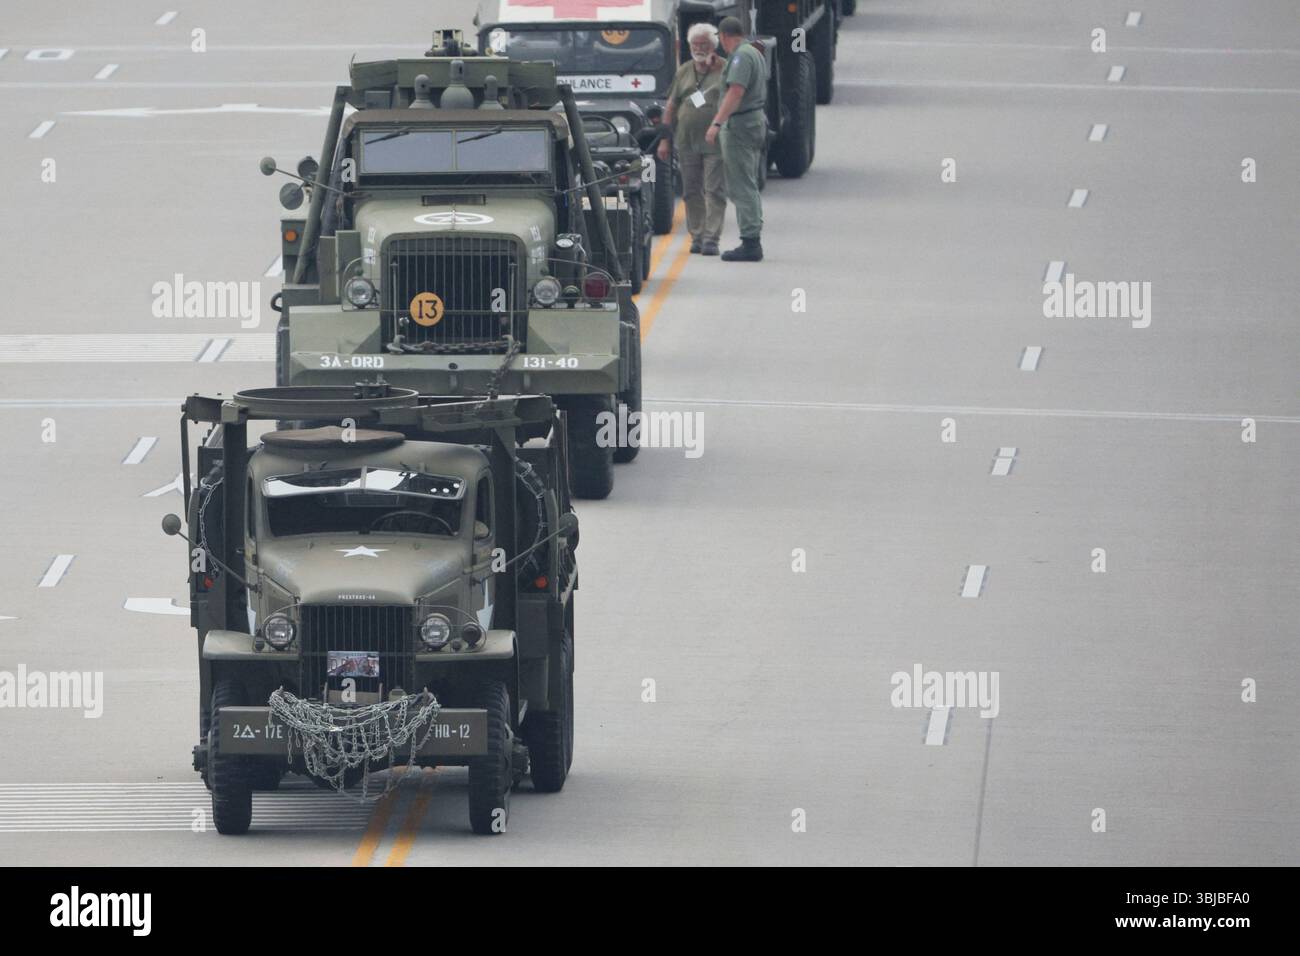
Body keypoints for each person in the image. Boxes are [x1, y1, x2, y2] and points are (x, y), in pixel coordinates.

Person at [661, 22, 726, 255]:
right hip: (686, 141)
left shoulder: (724, 69)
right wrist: (665, 139)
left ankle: (712, 238)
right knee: (691, 190)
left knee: (714, 190)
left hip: (715, 142)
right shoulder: (684, 71)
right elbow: (671, 105)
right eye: (695, 44)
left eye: (704, 44)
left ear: (713, 46)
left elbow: (735, 99)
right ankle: (697, 235)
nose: (699, 48)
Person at [705, 16, 766, 262]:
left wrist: (716, 123)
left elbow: (736, 92)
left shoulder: (741, 56)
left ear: (723, 36)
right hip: (753, 121)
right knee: (747, 180)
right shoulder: (751, 53)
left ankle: (751, 241)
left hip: (740, 124)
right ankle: (752, 233)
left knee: (741, 184)